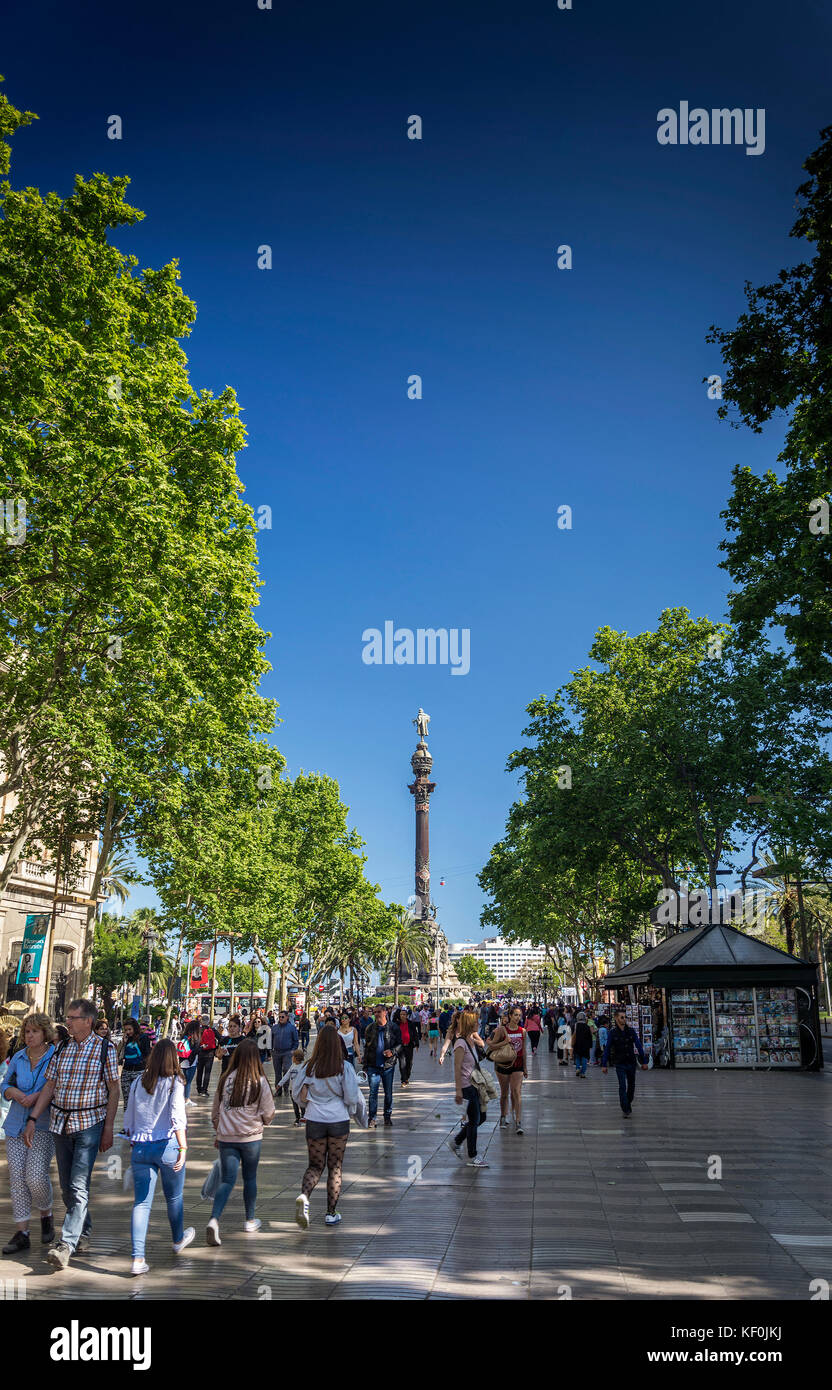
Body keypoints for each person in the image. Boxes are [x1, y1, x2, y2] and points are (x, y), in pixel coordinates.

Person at [24, 998, 120, 1269]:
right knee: (67, 1188)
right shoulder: (62, 1047)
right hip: (60, 1124)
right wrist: (33, 1118)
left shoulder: (105, 1049)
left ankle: (65, 1243)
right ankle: (83, 1231)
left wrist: (109, 1127)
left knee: (78, 1186)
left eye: (72, 1017)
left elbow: (114, 1089)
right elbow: (50, 1084)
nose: (67, 1021)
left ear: (87, 1021)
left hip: (89, 1124)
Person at [124, 1038, 194, 1275]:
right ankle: (177, 1240)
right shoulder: (175, 1083)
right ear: (173, 1058)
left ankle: (137, 1258)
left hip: (141, 1148)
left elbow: (129, 1117)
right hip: (168, 1146)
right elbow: (177, 1117)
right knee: (174, 1197)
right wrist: (183, 1148)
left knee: (142, 1203)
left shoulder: (137, 1082)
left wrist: (133, 1141)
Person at [293, 1023, 365, 1228]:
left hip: (315, 1119)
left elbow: (297, 1092)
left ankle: (304, 1197)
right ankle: (331, 1213)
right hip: (338, 1121)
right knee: (335, 1167)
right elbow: (352, 1096)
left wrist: (307, 1105)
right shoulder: (344, 1067)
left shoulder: (309, 1067)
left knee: (315, 1166)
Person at [207, 1038, 275, 1245]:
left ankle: (214, 1219)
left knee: (227, 1180)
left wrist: (219, 1131)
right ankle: (249, 1219)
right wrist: (263, 1120)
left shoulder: (226, 1078)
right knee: (250, 1178)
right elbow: (269, 1112)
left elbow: (215, 1110)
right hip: (251, 1137)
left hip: (227, 1137)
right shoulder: (260, 1081)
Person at [1, 1012, 56, 1255]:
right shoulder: (19, 1057)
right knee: (17, 1179)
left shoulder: (54, 1057)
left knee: (34, 1176)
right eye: (26, 1031)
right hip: (15, 1125)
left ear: (45, 1033)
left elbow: (55, 1086)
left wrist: (37, 1096)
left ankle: (46, 1212)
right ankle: (22, 1232)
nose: (29, 1035)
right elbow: (4, 1084)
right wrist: (12, 1092)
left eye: (34, 1031)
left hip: (43, 1125)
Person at [448, 1008, 489, 1168]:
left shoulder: (470, 1040)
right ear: (469, 1023)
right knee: (474, 1120)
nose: (478, 1023)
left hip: (475, 1084)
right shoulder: (460, 1043)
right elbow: (457, 1067)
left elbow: (482, 1046)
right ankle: (472, 1156)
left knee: (481, 1118)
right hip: (467, 1086)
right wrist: (458, 1090)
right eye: (476, 1021)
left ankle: (457, 1141)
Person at [488, 1005, 528, 1135]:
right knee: (505, 1092)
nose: (518, 1018)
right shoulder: (501, 1030)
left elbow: (524, 1050)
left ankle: (518, 1121)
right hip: (503, 1064)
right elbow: (492, 1046)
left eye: (519, 1015)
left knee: (516, 1091)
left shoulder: (523, 1031)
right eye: (515, 1015)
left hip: (518, 1064)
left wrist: (526, 1067)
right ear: (510, 1016)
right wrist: (505, 1042)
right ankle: (503, 1116)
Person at [602, 1008, 648, 1116]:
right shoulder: (612, 1033)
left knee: (631, 1086)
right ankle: (625, 1108)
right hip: (620, 1063)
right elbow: (607, 1048)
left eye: (625, 1017)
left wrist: (644, 1061)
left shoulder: (631, 1031)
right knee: (622, 1085)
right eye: (622, 1017)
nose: (624, 1019)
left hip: (631, 1062)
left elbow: (638, 1045)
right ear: (616, 1018)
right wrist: (604, 1064)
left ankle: (627, 1102)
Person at [362, 1004, 401, 1128]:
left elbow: (400, 1045)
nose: (376, 1014)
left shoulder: (393, 1027)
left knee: (388, 1093)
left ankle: (387, 1116)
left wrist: (392, 1052)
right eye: (375, 1012)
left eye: (378, 1012)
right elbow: (367, 1047)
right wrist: (365, 1064)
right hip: (373, 1065)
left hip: (388, 1066)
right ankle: (372, 1118)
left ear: (385, 1012)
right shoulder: (370, 1028)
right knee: (373, 1093)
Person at [118, 1018, 151, 1108]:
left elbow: (148, 1054)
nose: (128, 1032)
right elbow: (119, 1055)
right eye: (126, 1030)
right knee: (127, 1101)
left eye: (129, 1029)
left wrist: (146, 1070)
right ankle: (128, 1120)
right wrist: (123, 1042)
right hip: (126, 1071)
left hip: (139, 1071)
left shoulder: (143, 1038)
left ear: (135, 1028)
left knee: (139, 1101)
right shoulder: (126, 1039)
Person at [271, 1009, 299, 1094]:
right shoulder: (274, 1028)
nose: (281, 1018)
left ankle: (286, 1088)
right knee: (277, 1072)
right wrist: (270, 1050)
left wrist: (293, 1050)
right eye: (279, 1017)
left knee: (287, 1070)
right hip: (276, 1052)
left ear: (287, 1017)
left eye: (282, 1017)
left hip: (287, 1052)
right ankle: (278, 1090)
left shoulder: (292, 1028)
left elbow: (296, 1040)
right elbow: (271, 1040)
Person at [276, 1048, 307, 1124]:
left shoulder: (303, 1067)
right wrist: (280, 1084)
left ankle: (304, 1117)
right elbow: (286, 1076)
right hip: (292, 1089)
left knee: (301, 1104)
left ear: (296, 1058)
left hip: (300, 1089)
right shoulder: (292, 1066)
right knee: (295, 1105)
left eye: (292, 1056)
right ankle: (297, 1118)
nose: (291, 1058)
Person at [177, 1021, 201, 1104]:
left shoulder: (184, 1036)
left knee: (184, 1081)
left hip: (183, 1061)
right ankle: (186, 1099)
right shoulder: (195, 1038)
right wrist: (202, 1047)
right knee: (188, 1082)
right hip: (191, 1062)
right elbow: (196, 1051)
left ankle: (182, 1097)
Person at [196, 1016, 219, 1096]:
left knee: (199, 1072)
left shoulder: (198, 1030)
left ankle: (199, 1089)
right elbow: (220, 1038)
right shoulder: (212, 1030)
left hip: (200, 1053)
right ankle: (204, 1090)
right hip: (210, 1054)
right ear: (209, 1022)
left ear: (201, 1021)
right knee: (207, 1073)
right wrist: (216, 1048)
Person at [395, 1007, 415, 1086]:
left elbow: (415, 1034)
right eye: (401, 1014)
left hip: (409, 1046)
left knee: (409, 1063)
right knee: (402, 1063)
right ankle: (403, 1079)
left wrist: (416, 1043)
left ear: (407, 1015)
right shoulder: (397, 1024)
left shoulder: (411, 1023)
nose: (403, 1016)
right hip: (400, 1046)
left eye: (404, 1014)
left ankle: (407, 1077)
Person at [572, 1012, 593, 1078]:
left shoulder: (575, 1025)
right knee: (584, 1059)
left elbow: (573, 1035)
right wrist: (590, 1045)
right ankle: (583, 1073)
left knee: (577, 1057)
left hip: (577, 1044)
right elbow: (590, 1037)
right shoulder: (587, 1027)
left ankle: (578, 1068)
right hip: (585, 1045)